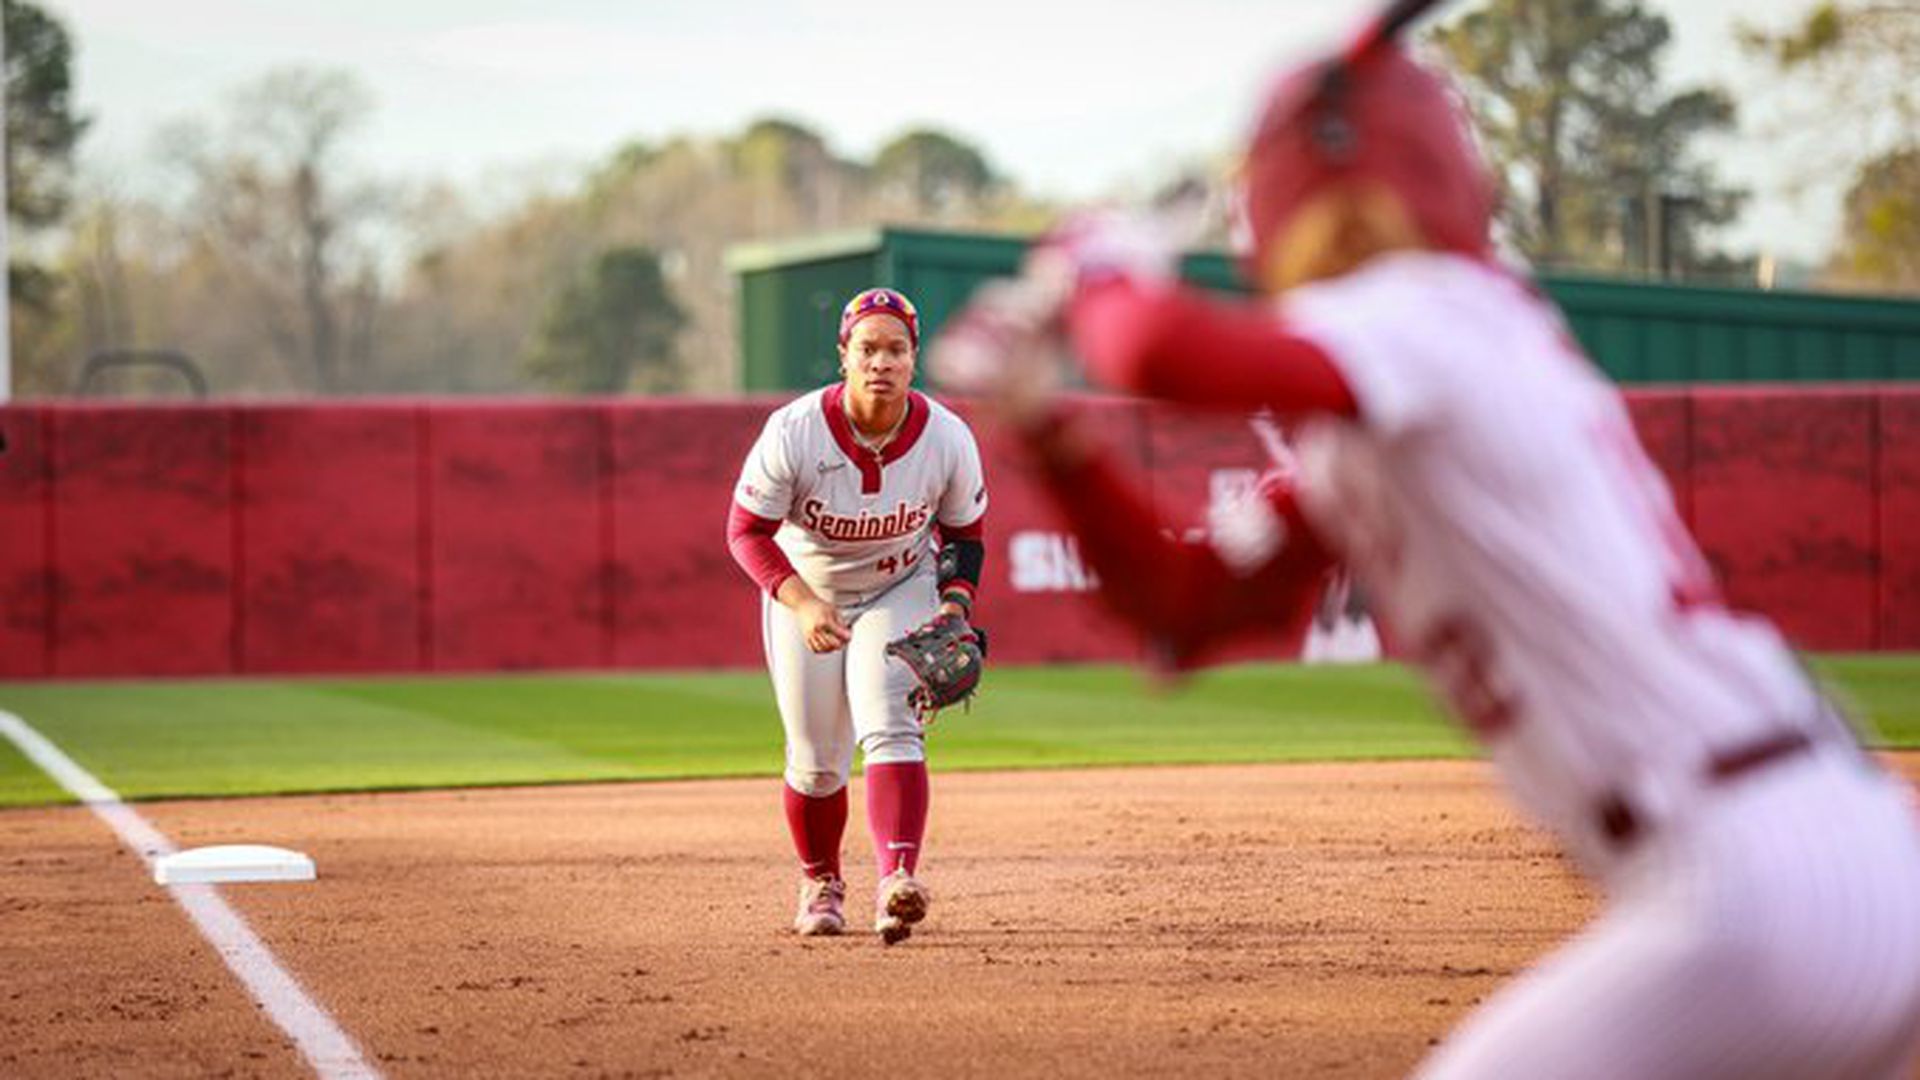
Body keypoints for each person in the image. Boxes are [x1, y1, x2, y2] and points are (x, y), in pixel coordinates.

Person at [934, 40, 1920, 1079]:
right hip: (1808, 854)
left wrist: (1099, 267)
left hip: (1752, 875)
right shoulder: (1396, 393)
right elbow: (1185, 611)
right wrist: (1047, 428)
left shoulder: (1431, 309)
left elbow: (1160, 353)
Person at [727, 286, 988, 945]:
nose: (882, 362)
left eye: (895, 349)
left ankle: (897, 878)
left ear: (914, 359)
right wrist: (802, 601)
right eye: (867, 348)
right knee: (816, 761)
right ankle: (820, 881)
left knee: (892, 722)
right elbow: (746, 531)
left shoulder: (948, 437)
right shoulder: (795, 430)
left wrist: (954, 606)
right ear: (843, 356)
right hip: (804, 589)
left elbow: (965, 537)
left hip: (899, 584)